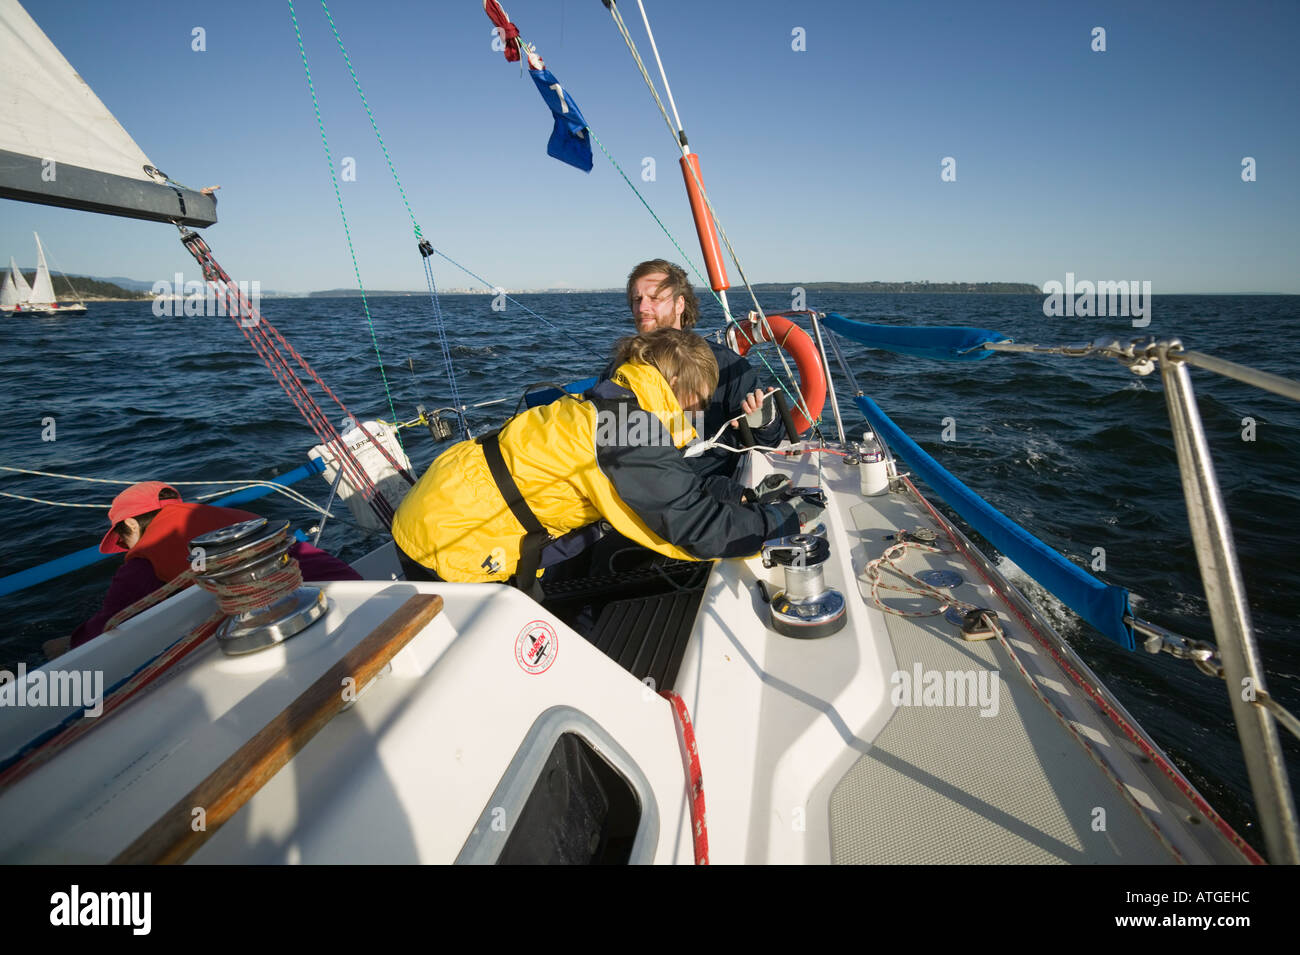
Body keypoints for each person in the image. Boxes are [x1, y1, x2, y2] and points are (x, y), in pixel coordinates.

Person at [391, 329, 816, 586]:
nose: (699, 411)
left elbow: (667, 484)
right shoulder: (629, 428)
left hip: (437, 509)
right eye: (700, 400)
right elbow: (690, 528)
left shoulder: (610, 402)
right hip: (448, 544)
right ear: (682, 390)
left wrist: (732, 495)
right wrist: (781, 522)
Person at [46, 481, 361, 658]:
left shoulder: (143, 564)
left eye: (123, 538)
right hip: (352, 593)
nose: (126, 549)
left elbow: (107, 628)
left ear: (129, 523)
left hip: (298, 628)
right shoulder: (224, 517)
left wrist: (63, 645)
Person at [611, 259, 790, 480]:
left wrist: (763, 421)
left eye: (655, 298)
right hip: (634, 489)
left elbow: (767, 442)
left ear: (679, 304)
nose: (642, 308)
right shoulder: (621, 367)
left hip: (703, 490)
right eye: (637, 299)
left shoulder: (725, 365)